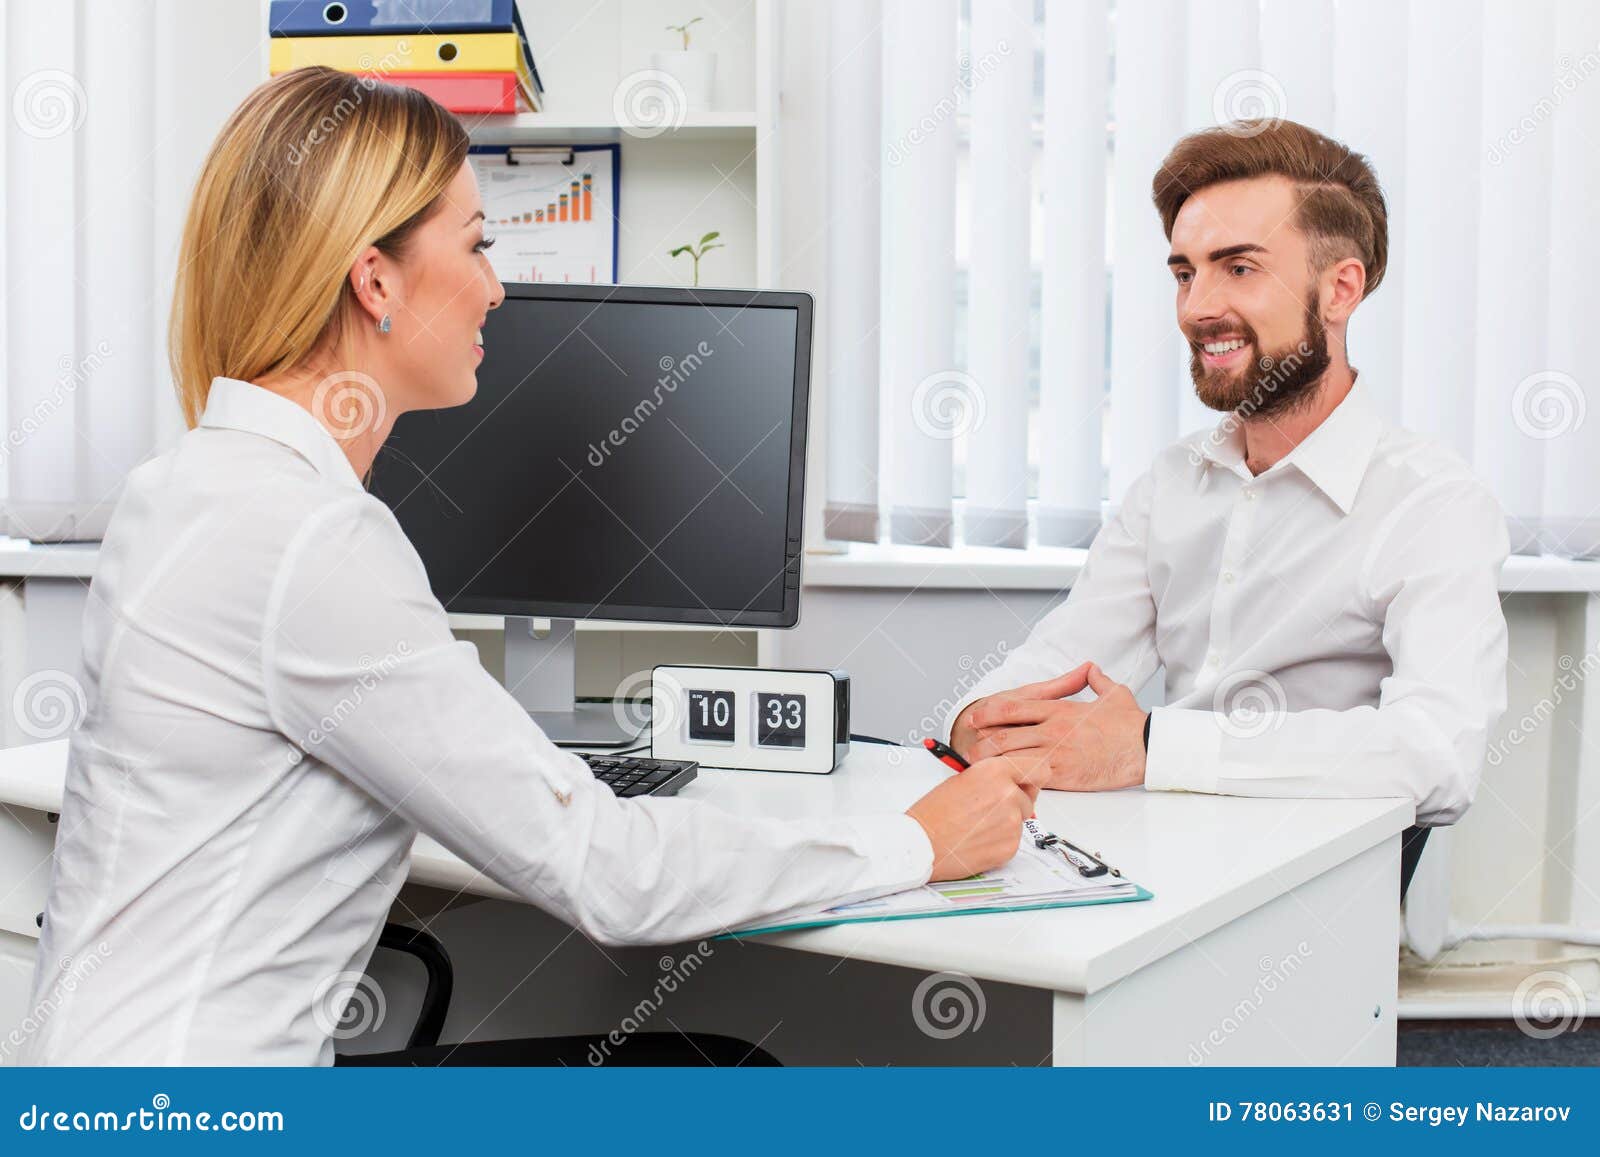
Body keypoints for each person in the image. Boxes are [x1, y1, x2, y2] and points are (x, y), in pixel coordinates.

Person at [20, 67, 1037, 1066]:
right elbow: (610, 874)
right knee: (719, 1074)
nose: (497, 286)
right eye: (477, 243)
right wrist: (916, 839)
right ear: (375, 280)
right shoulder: (311, 536)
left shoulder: (182, 483)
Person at [944, 119, 1509, 887]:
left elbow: (1437, 755)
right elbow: (1064, 655)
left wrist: (1152, 745)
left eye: (1238, 268)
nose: (1197, 306)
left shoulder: (1431, 503)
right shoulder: (1173, 483)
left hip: (1310, 890)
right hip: (1161, 857)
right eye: (1185, 273)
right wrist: (975, 719)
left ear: (1340, 288)